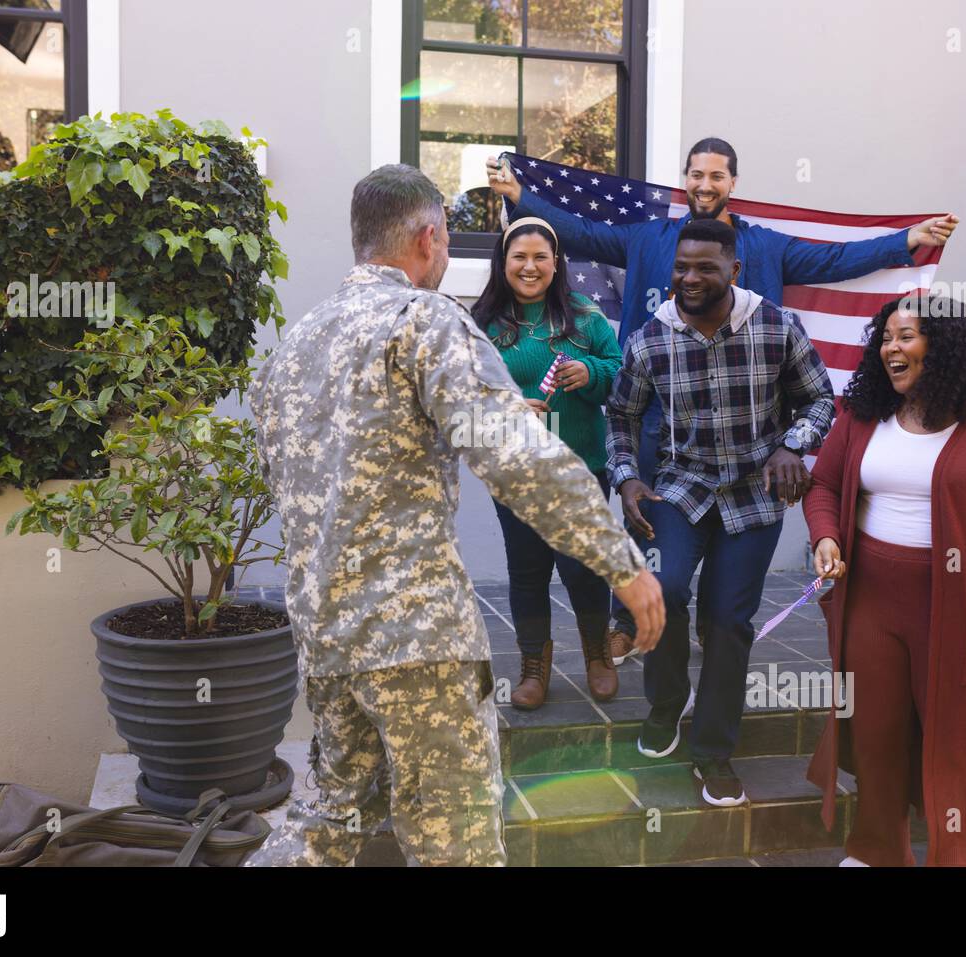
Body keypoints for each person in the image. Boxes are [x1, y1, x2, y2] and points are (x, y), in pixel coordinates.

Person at [244, 165, 664, 867]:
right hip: (418, 642)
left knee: (326, 825)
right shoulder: (425, 316)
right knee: (456, 847)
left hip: (325, 637)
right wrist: (621, 563)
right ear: (430, 236)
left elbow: (322, 467)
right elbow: (522, 459)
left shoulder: (298, 341)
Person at [487, 138, 959, 664]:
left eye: (717, 176)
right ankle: (631, 623)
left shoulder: (767, 248)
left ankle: (718, 622)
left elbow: (833, 260)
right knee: (648, 523)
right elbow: (584, 234)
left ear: (733, 183)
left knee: (732, 545)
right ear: (683, 180)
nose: (705, 185)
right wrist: (521, 197)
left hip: (745, 434)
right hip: (656, 421)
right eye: (696, 174)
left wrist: (905, 243)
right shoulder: (647, 239)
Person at [802, 294, 966, 867]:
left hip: (963, 607)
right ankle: (876, 852)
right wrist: (826, 537)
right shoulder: (864, 414)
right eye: (886, 338)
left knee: (963, 746)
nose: (890, 349)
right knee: (874, 736)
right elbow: (822, 487)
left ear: (943, 346)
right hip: (870, 600)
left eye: (906, 337)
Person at [605, 218, 834, 807]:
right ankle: (666, 700)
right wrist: (628, 479)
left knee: (729, 623)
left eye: (705, 267)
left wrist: (792, 445)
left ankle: (713, 752)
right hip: (679, 489)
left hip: (754, 493)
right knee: (664, 589)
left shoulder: (778, 327)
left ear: (733, 271)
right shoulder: (650, 340)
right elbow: (622, 418)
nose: (689, 277)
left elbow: (819, 400)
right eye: (681, 267)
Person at [470, 216, 626, 709]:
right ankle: (533, 666)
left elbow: (624, 376)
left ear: (556, 264)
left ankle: (598, 655)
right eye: (519, 257)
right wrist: (510, 402)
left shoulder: (587, 317)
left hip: (580, 469)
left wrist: (593, 370)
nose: (530, 266)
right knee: (528, 570)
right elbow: (464, 392)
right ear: (503, 262)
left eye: (541, 257)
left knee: (584, 569)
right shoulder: (482, 324)